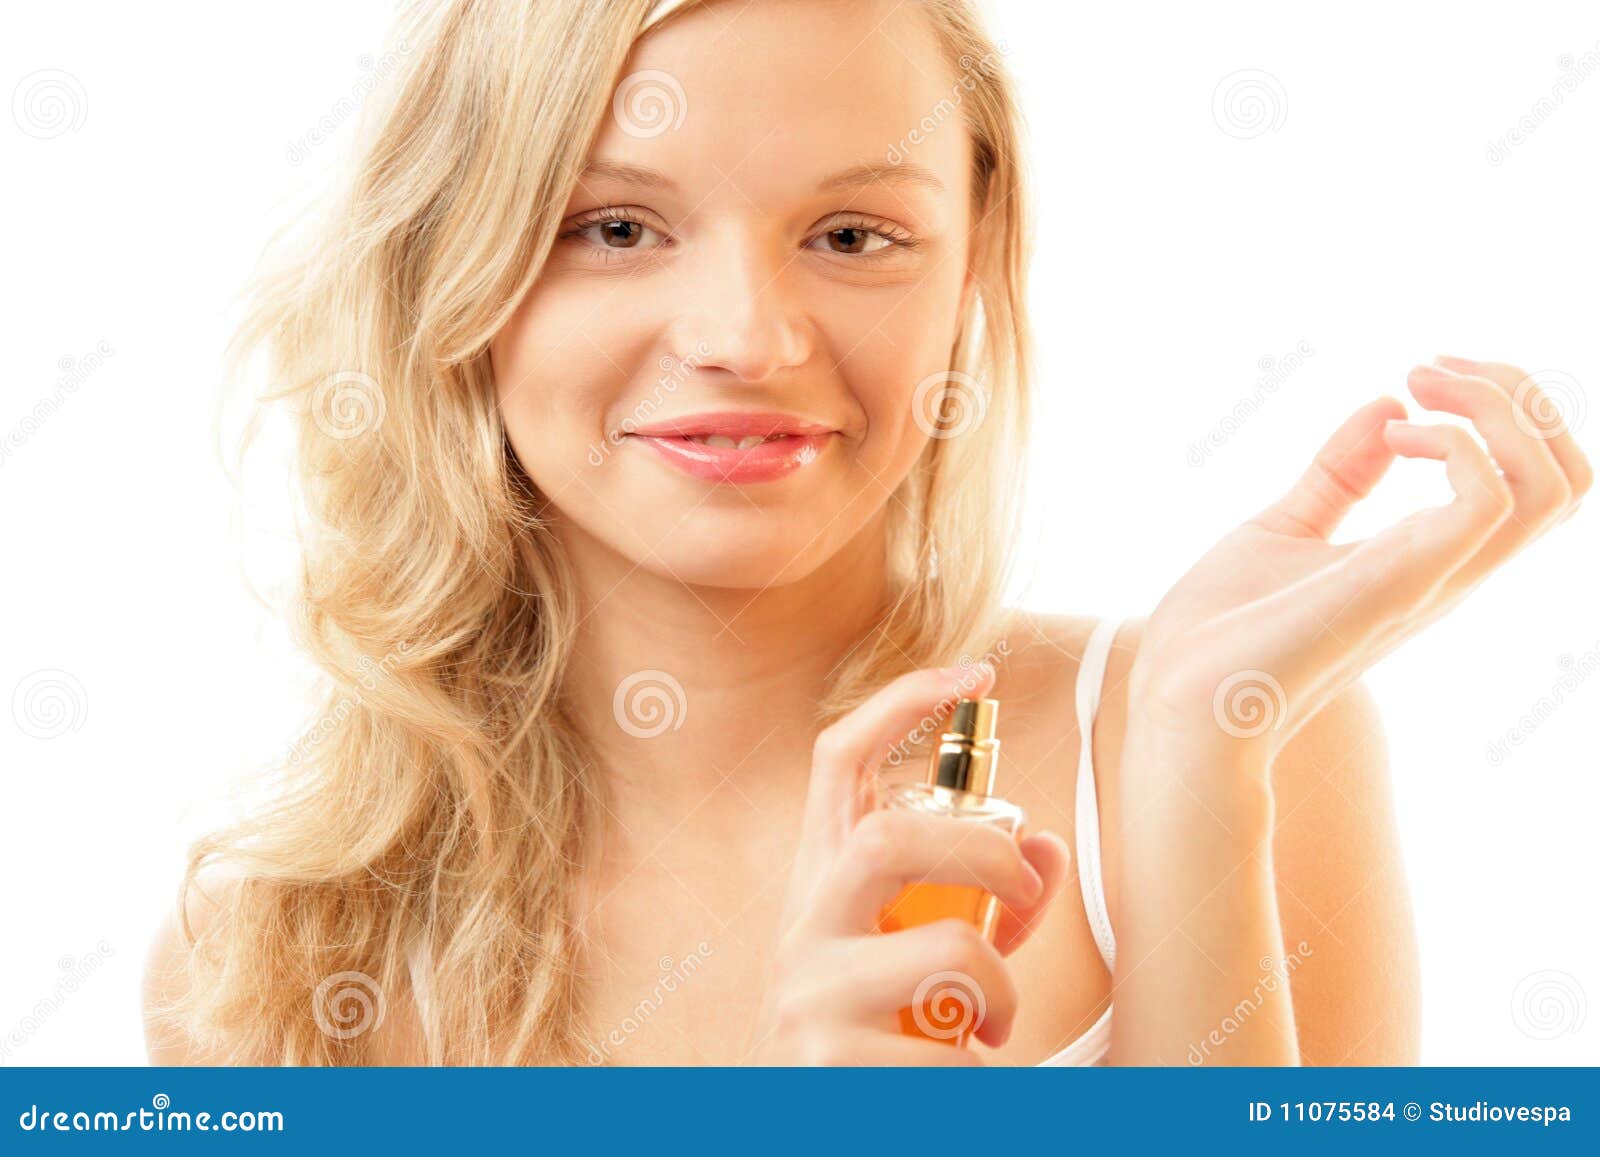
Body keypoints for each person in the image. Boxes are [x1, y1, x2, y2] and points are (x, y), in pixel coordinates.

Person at [141, 0, 1590, 1066]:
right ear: (451, 267)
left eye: (851, 236)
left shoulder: (1221, 742)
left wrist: (1200, 762)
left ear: (973, 267)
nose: (746, 339)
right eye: (615, 228)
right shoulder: (268, 959)